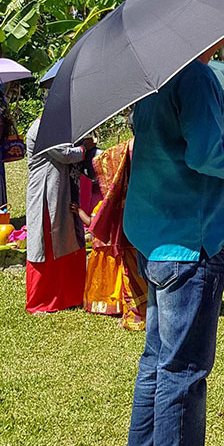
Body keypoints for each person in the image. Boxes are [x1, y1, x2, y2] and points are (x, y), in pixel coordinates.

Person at [119, 45, 224, 446]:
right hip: (190, 241)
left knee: (157, 364)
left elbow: (173, 144)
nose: (223, 44)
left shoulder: (155, 80)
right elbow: (206, 156)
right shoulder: (197, 78)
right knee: (182, 373)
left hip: (155, 236)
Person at [23, 116, 95, 313]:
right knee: (49, 242)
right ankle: (44, 299)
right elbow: (64, 154)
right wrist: (84, 149)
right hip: (47, 193)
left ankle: (70, 295)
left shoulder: (58, 125)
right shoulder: (42, 126)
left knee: (68, 238)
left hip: (62, 190)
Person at [84, 140, 147, 330]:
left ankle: (137, 315)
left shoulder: (122, 149)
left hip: (128, 209)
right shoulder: (160, 143)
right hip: (153, 208)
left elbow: (101, 163)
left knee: (131, 262)